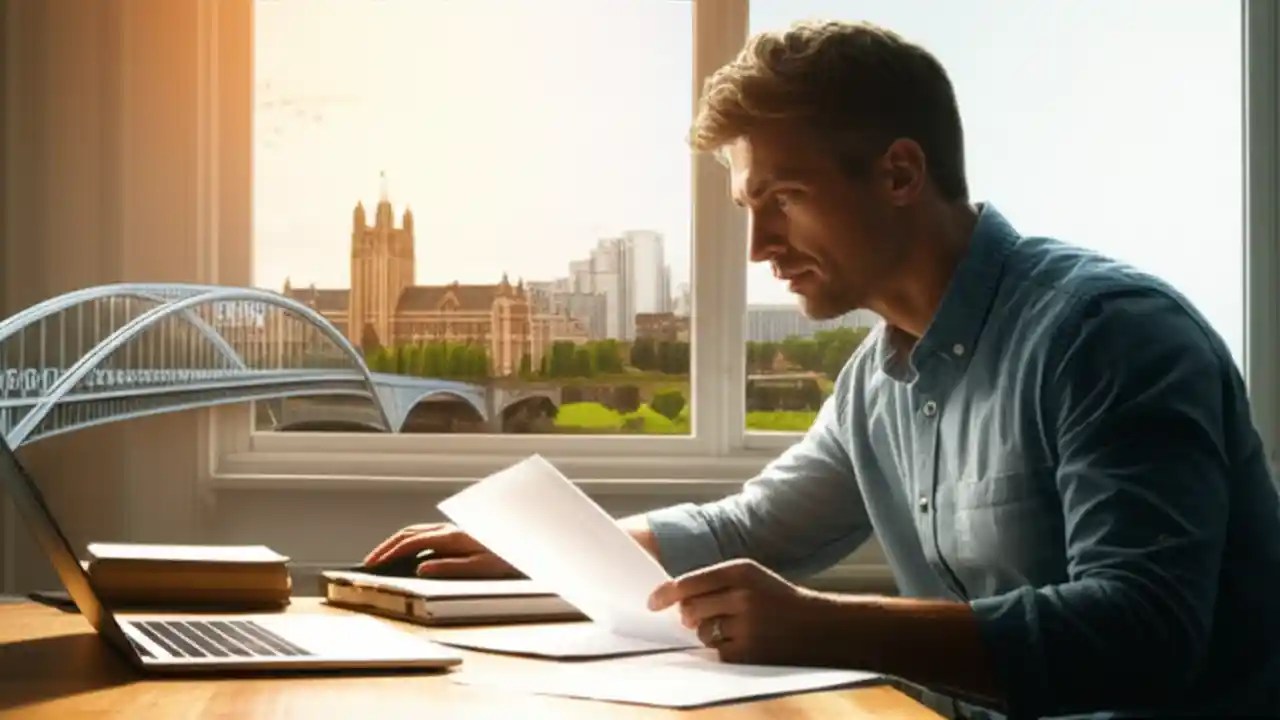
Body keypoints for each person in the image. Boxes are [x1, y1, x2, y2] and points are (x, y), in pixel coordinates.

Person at [363, 20, 1280, 719]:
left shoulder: (1105, 335)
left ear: (899, 174)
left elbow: (1144, 633)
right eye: (748, 207)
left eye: (785, 198)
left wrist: (825, 623)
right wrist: (544, 554)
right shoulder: (875, 380)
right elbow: (752, 526)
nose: (759, 245)